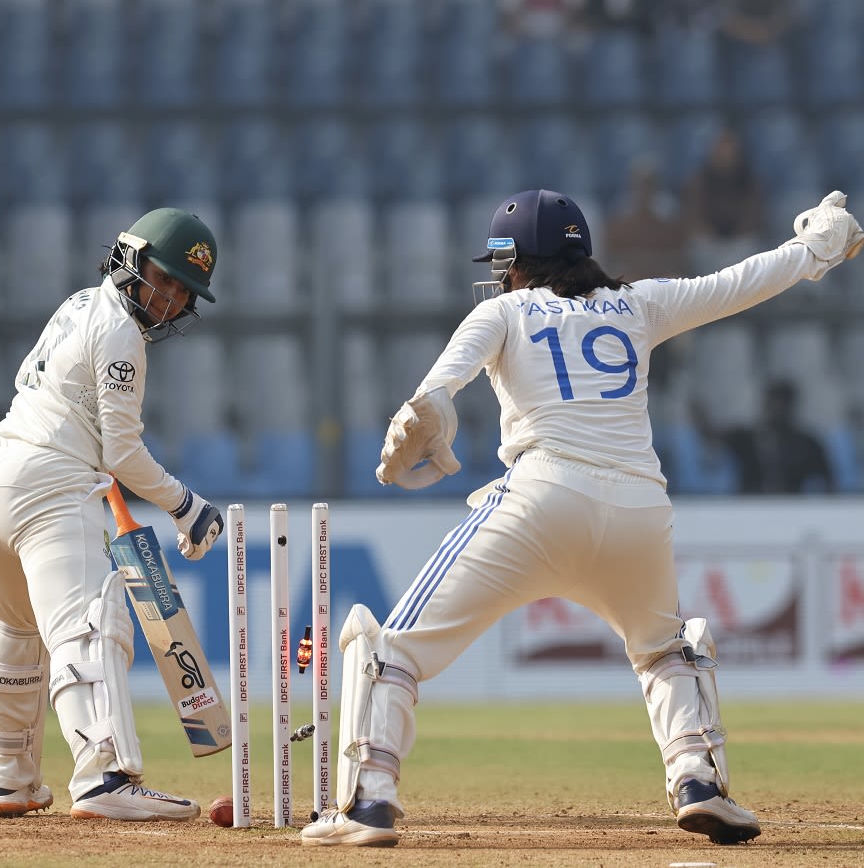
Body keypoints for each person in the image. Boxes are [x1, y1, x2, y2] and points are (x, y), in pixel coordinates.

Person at [300, 188, 863, 848]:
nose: (498, 271)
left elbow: (435, 391)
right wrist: (817, 247)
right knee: (662, 648)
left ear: (518, 258)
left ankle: (368, 800)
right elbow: (739, 281)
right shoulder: (641, 301)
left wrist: (422, 420)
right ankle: (697, 780)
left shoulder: (505, 310)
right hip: (637, 510)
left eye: (502, 257)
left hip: (542, 498)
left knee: (392, 647)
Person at [0, 207, 224, 821]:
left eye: (184, 289)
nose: (171, 297)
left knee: (13, 632)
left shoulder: (81, 303)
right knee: (88, 625)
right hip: (49, 487)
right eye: (166, 277)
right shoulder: (122, 333)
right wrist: (186, 506)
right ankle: (104, 778)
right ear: (131, 259)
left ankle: (10, 779)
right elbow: (121, 451)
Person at [701, 378, 835, 494]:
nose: (776, 410)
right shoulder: (745, 438)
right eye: (772, 403)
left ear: (791, 406)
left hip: (792, 508)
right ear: (764, 404)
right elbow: (711, 435)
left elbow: (828, 481)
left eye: (782, 405)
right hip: (748, 507)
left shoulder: (807, 444)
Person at [681, 126, 766, 274]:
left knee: (750, 247)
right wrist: (711, 236)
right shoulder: (701, 179)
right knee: (699, 247)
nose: (725, 153)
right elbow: (694, 215)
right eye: (721, 148)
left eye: (729, 147)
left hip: (739, 241)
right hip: (709, 242)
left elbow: (753, 214)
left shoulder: (748, 179)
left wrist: (736, 236)